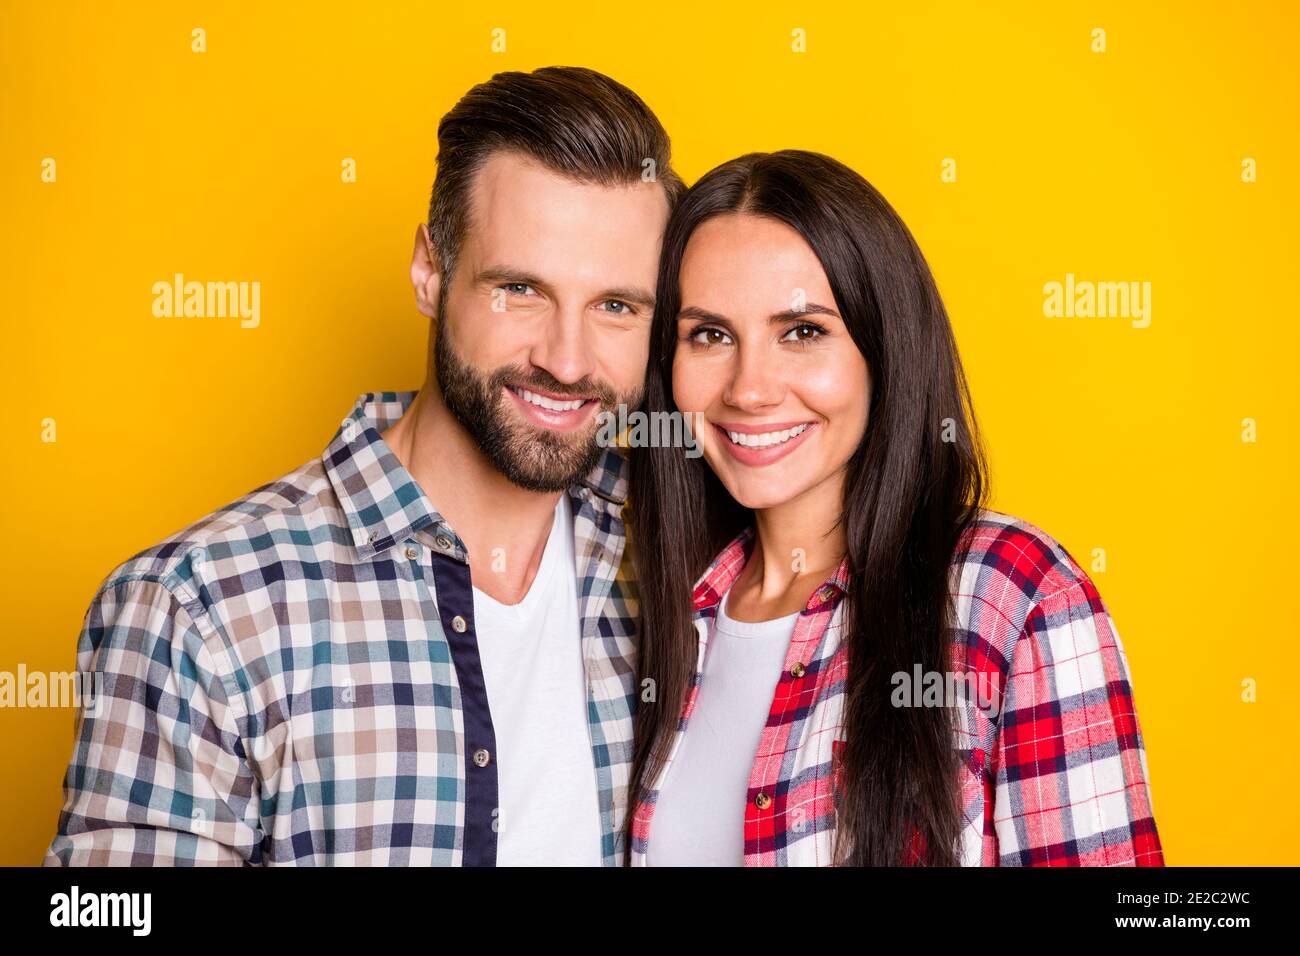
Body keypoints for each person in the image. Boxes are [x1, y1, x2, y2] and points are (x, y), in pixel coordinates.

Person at [45, 66, 682, 866]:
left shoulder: (689, 558)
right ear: (430, 269)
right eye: (519, 289)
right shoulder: (197, 614)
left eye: (616, 306)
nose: (566, 358)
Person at [626, 150, 1164, 866]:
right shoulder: (663, 610)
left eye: (803, 331)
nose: (748, 389)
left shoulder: (1012, 597)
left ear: (884, 350)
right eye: (711, 335)